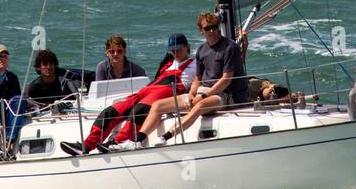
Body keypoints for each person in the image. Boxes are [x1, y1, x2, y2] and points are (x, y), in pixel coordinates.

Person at [127, 13, 248, 149]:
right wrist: (192, 94)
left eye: (214, 27)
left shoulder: (230, 47)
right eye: (208, 28)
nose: (212, 31)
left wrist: (203, 96)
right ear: (201, 30)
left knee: (200, 106)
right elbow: (198, 78)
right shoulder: (202, 49)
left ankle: (167, 135)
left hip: (224, 94)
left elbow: (226, 80)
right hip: (203, 91)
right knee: (157, 105)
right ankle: (138, 140)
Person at [61, 36, 196, 156]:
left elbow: (203, 78)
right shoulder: (167, 64)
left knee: (139, 110)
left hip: (166, 92)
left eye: (178, 49)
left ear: (187, 48)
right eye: (173, 50)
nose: (175, 52)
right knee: (112, 110)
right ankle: (86, 145)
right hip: (148, 90)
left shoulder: (195, 64)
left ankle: (117, 142)